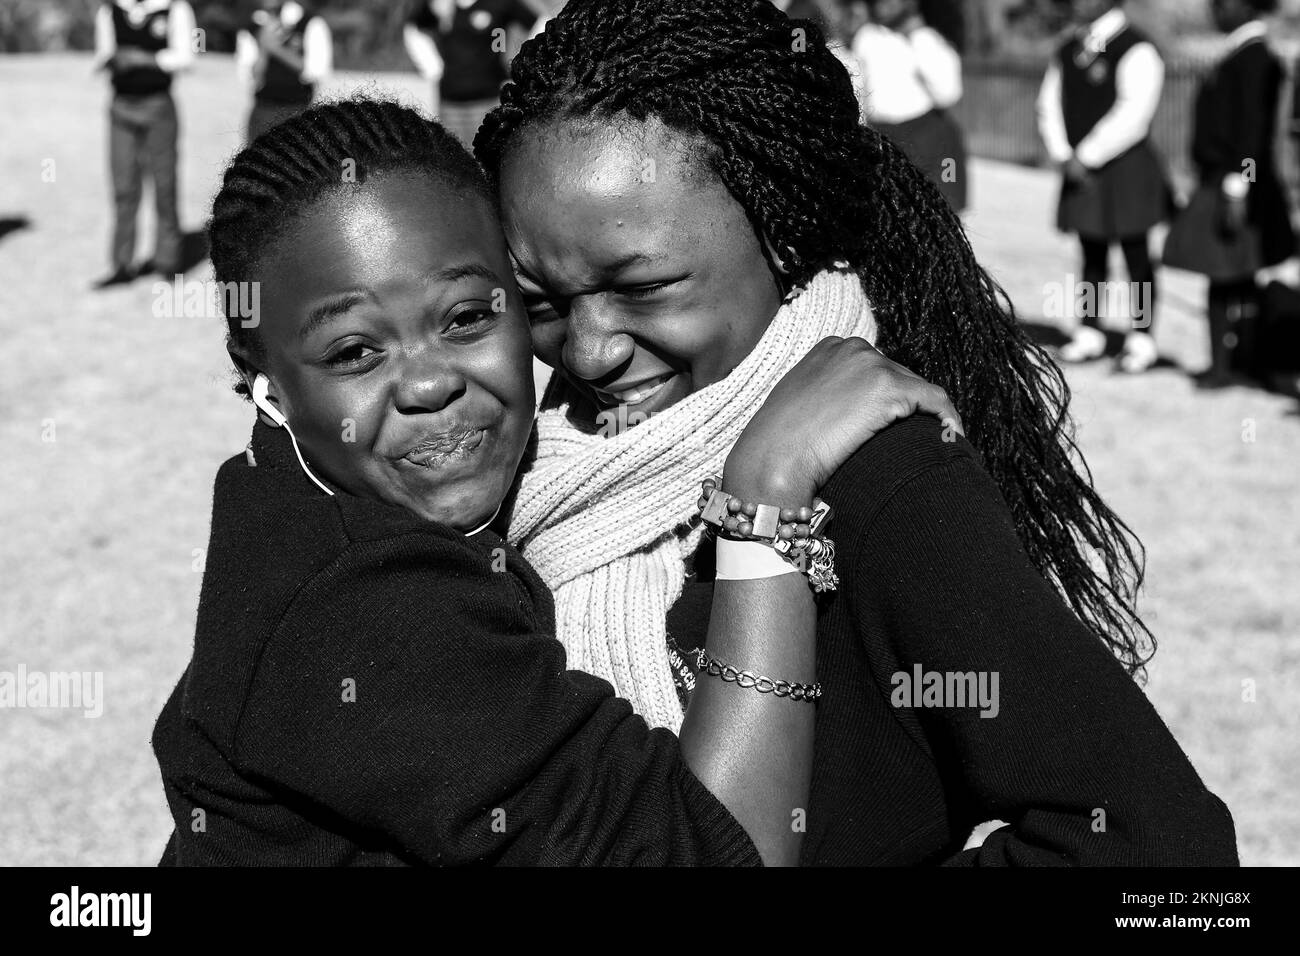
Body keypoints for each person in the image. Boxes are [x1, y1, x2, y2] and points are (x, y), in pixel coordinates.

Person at [474, 0, 1238, 865]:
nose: (588, 350)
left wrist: (759, 513)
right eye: (540, 300)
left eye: (644, 288)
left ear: (785, 231)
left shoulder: (883, 479)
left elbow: (1165, 849)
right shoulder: (534, 468)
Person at [151, 97, 958, 866]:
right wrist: (766, 498)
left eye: (466, 316)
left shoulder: (311, 507)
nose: (429, 384)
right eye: (355, 352)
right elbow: (718, 854)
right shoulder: (363, 608)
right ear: (264, 385)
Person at [1163, 0, 1295, 389]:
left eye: (1223, 3)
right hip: (1227, 179)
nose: (1215, 10)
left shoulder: (1255, 58)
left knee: (1229, 276)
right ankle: (1235, 361)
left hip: (1236, 183)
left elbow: (1252, 130)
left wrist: (1240, 184)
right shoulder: (1239, 53)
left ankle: (1231, 365)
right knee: (1232, 277)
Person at [1036, 0, 1172, 373]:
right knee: (1091, 250)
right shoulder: (1068, 49)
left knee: (1136, 254)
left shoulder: (1137, 48)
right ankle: (1090, 332)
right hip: (1079, 165)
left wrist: (1089, 154)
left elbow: (1135, 112)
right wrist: (1062, 153)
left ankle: (1141, 338)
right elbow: (1048, 102)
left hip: (1123, 164)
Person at [91, 0, 195, 288]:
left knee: (164, 185)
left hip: (158, 105)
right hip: (121, 105)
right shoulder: (110, 10)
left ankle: (168, 261)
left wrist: (143, 59)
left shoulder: (174, 8)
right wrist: (111, 61)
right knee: (124, 187)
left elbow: (186, 58)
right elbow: (104, 52)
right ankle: (122, 264)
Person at [853, 0, 968, 211]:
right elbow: (859, 90)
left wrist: (918, 38)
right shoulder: (867, 37)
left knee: (940, 213)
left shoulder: (928, 38)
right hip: (883, 138)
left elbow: (949, 93)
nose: (882, 6)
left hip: (928, 139)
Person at [403, 0, 536, 145]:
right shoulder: (440, 4)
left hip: (488, 100)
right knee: (453, 158)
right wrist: (432, 67)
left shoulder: (499, 4)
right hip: (450, 103)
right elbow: (414, 29)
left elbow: (537, 22)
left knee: (488, 157)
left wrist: (522, 64)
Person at [235, 0, 333, 143]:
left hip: (298, 110)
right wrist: (264, 47)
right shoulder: (251, 26)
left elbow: (316, 71)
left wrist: (276, 49)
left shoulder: (310, 23)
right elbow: (252, 78)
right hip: (263, 110)